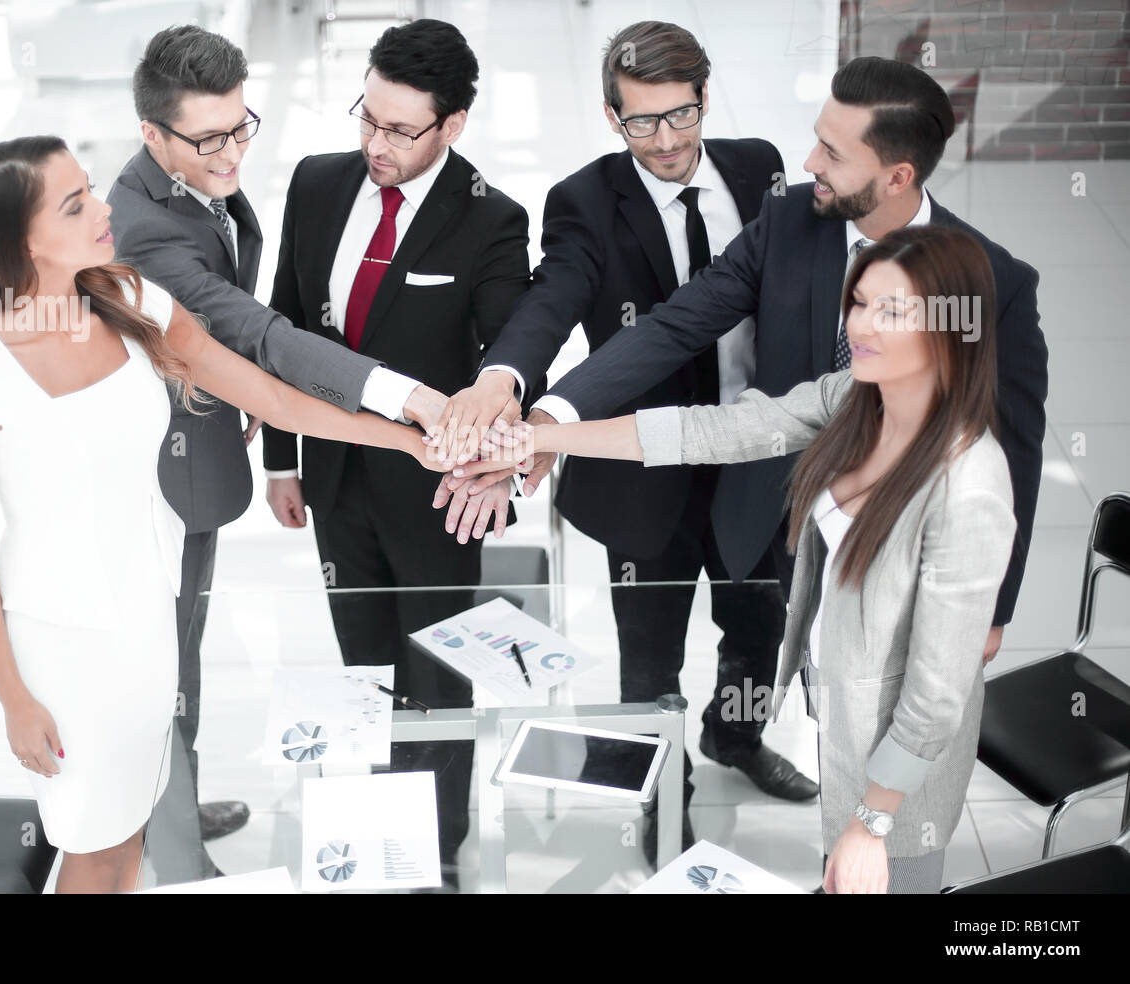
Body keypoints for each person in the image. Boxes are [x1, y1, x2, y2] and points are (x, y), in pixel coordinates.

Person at [0, 136, 446, 894]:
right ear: (20, 239)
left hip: (149, 615)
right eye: (76, 206)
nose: (105, 210)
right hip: (61, 646)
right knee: (91, 846)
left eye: (92, 190)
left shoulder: (130, 301)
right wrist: (14, 700)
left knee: (130, 829)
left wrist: (405, 441)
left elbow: (267, 394)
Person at [445, 55, 1047, 670]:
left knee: (867, 690)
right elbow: (676, 324)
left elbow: (1016, 451)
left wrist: (994, 607)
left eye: (833, 154)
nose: (808, 162)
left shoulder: (993, 287)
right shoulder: (788, 222)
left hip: (895, 530)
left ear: (897, 177)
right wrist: (545, 422)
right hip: (768, 497)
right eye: (816, 139)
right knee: (783, 670)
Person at [466, 225, 1016, 893]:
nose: (861, 324)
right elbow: (715, 430)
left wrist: (870, 825)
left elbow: (936, 699)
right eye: (860, 301)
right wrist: (539, 437)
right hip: (845, 723)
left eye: (891, 310)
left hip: (900, 779)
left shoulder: (971, 486)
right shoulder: (854, 400)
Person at [432, 20, 814, 870]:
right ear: (612, 118)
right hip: (646, 475)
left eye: (681, 115)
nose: (668, 140)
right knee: (650, 658)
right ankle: (662, 797)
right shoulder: (584, 199)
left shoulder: (761, 170)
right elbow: (552, 299)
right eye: (643, 122)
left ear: (706, 97)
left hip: (757, 458)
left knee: (759, 624)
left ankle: (736, 739)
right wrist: (506, 381)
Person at [106, 25, 449, 868]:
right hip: (155, 487)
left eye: (240, 127)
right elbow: (258, 335)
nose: (232, 154)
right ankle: (175, 852)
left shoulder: (184, 182)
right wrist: (401, 398)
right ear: (153, 134)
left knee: (181, 659)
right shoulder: (148, 231)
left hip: (192, 448)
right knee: (166, 674)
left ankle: (171, 807)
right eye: (208, 138)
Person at [262, 18, 532, 884]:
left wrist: (513, 442)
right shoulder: (316, 182)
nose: (375, 144)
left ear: (453, 125)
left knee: (437, 683)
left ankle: (434, 857)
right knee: (368, 667)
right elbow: (282, 329)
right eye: (366, 118)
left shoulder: (493, 220)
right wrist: (281, 457)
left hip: (435, 496)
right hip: (335, 479)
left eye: (400, 129)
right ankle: (383, 823)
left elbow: (502, 356)